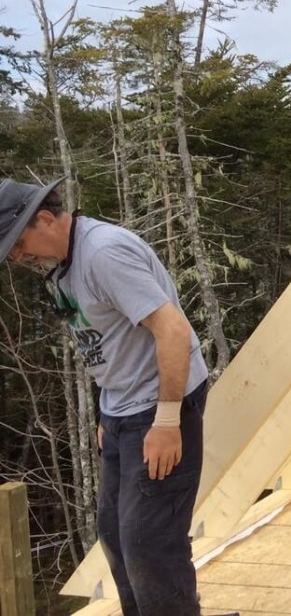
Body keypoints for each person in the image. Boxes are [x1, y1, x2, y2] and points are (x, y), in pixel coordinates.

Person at [1, 176, 211, 615]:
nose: (17, 257)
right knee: (117, 536)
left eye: (17, 243)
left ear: (44, 218)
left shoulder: (104, 253)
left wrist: (168, 421)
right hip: (121, 412)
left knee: (150, 545)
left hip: (160, 407)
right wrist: (105, 411)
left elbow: (173, 330)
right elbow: (103, 341)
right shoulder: (63, 264)